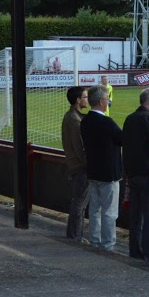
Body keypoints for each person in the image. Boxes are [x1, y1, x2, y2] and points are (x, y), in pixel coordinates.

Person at [80, 83, 126, 252]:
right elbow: (123, 139)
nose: (108, 102)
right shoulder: (107, 122)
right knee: (109, 212)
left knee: (95, 209)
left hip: (93, 171)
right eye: (107, 99)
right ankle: (108, 245)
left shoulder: (85, 121)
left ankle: (94, 240)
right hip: (109, 173)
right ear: (101, 101)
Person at [122, 88, 149, 264]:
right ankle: (148, 254)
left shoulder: (130, 118)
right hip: (147, 174)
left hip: (132, 173)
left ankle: (135, 251)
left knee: (136, 216)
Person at [60, 86, 89, 241]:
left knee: (79, 202)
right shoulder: (74, 120)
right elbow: (80, 148)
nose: (87, 99)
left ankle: (75, 235)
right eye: (85, 97)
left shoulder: (72, 117)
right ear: (78, 100)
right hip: (80, 168)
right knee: (79, 203)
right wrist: (89, 165)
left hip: (75, 167)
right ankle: (75, 236)